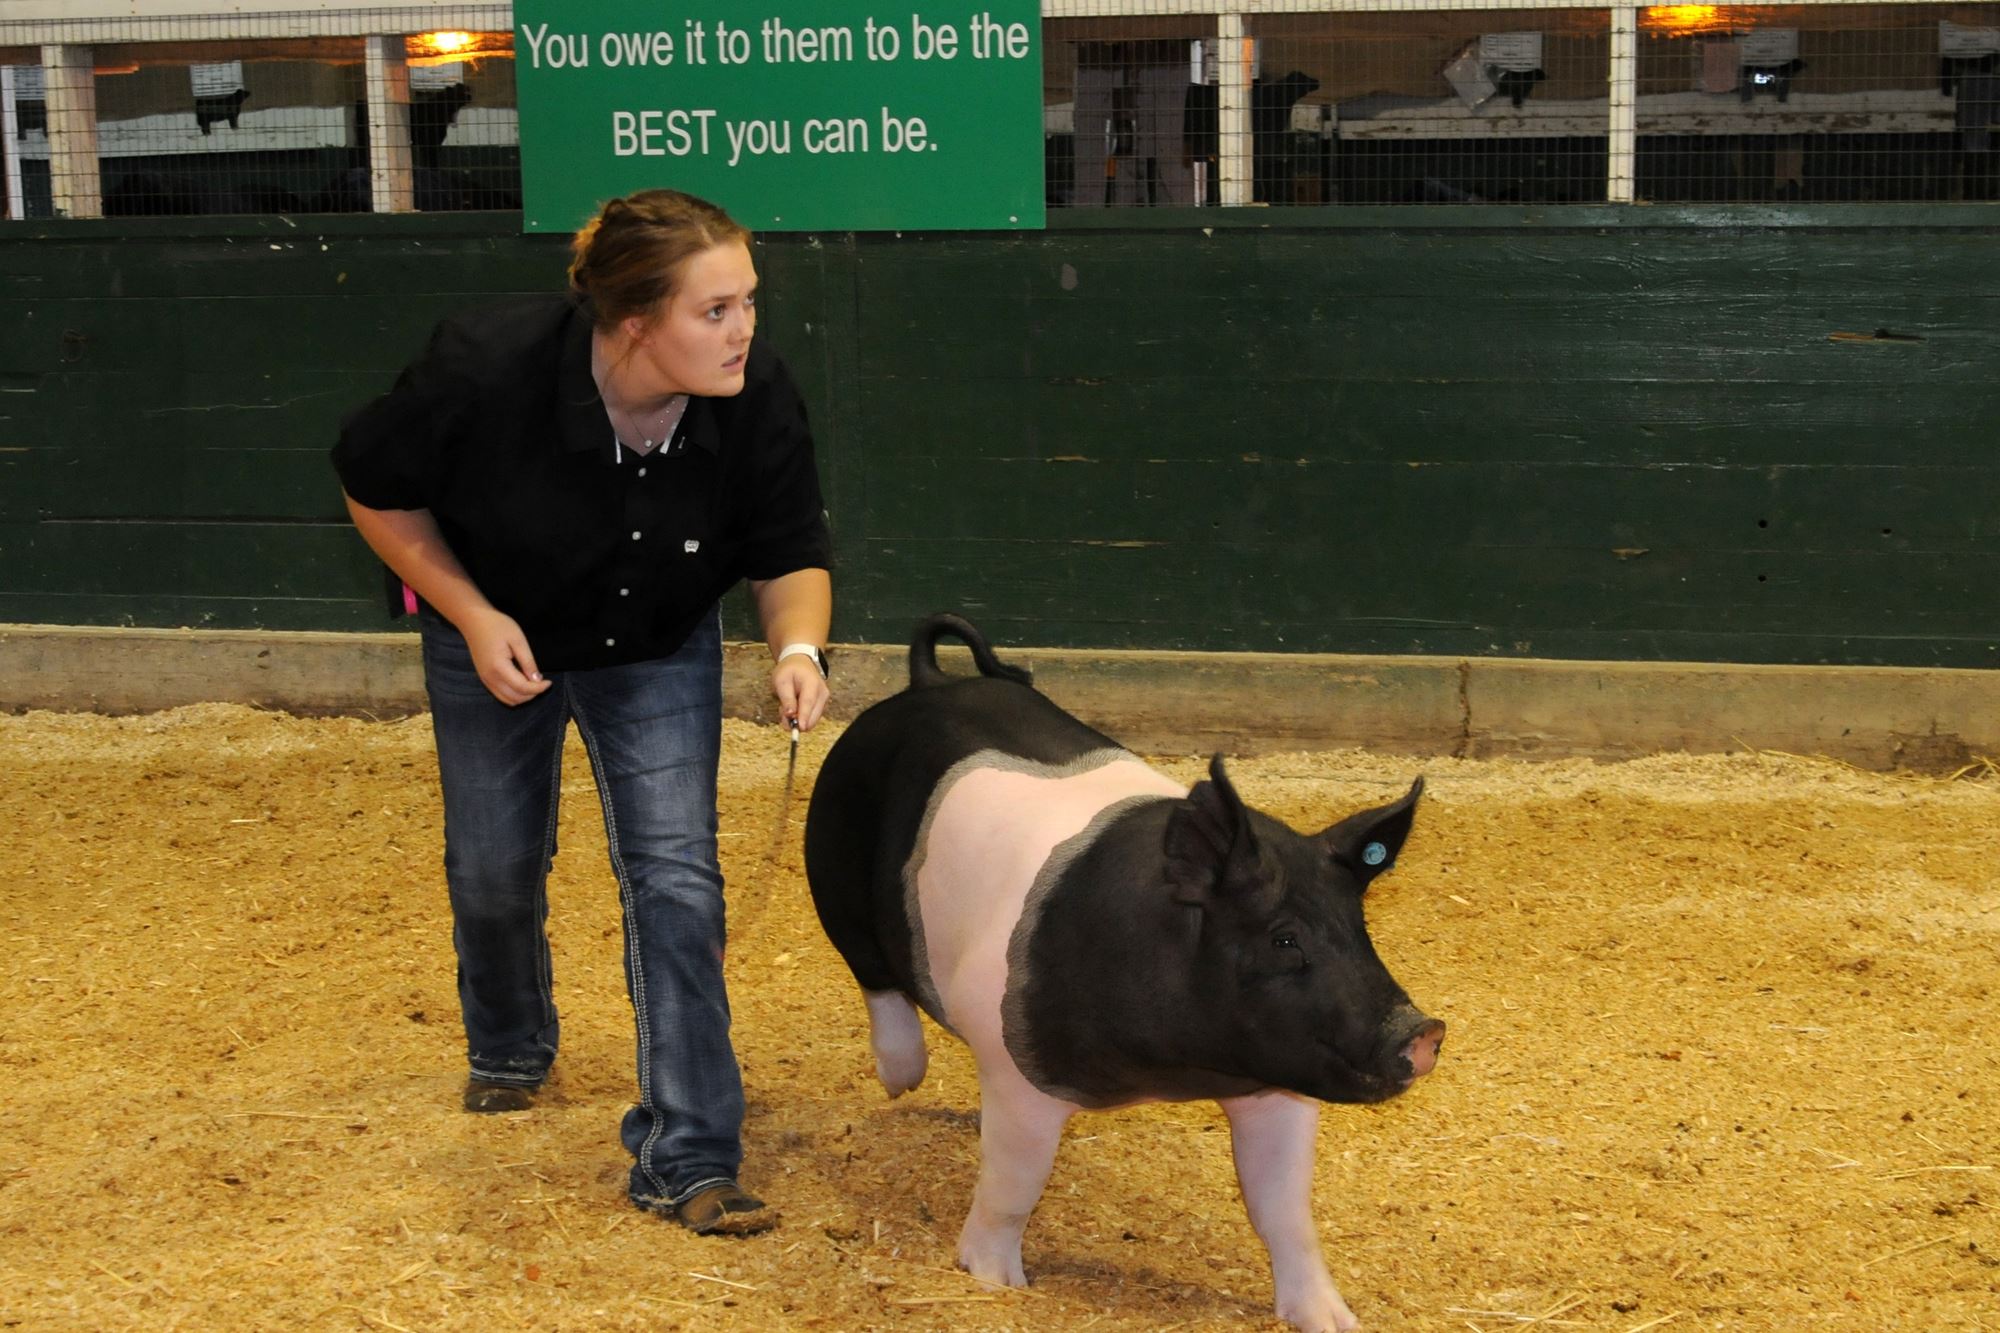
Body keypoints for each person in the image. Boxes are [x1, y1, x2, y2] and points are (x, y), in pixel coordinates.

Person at [331, 188, 832, 1237]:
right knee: (494, 864)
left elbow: (788, 547)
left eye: (748, 301)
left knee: (676, 880)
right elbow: (373, 487)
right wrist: (468, 615)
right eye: (716, 309)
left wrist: (795, 646)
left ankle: (686, 1153)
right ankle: (510, 1041)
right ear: (634, 320)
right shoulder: (484, 367)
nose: (744, 328)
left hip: (654, 643)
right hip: (497, 631)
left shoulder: (756, 393)